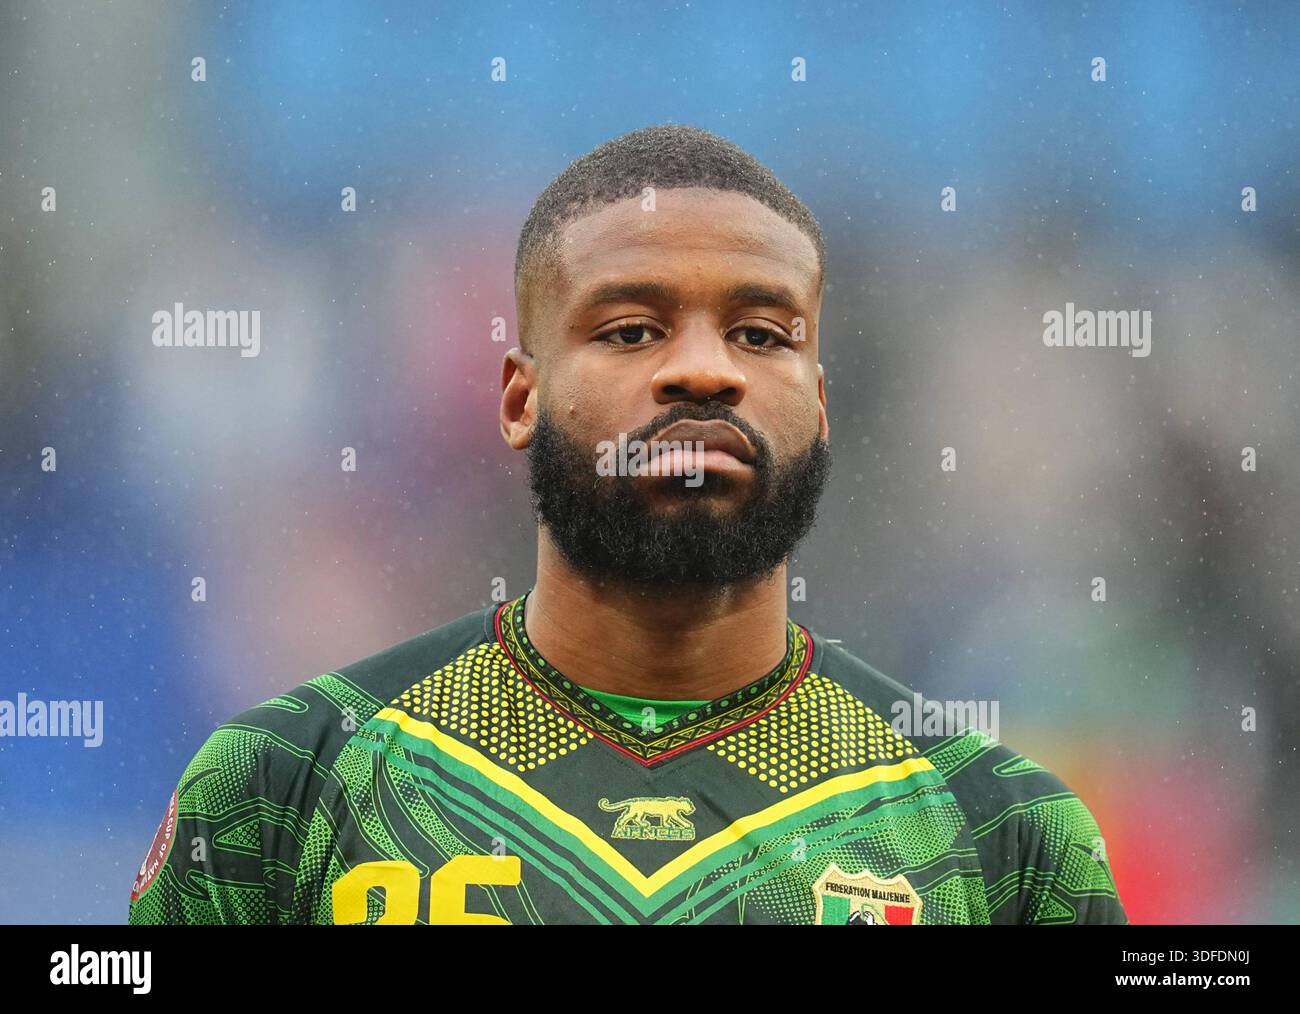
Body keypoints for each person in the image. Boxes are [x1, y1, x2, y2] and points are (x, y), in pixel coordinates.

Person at [128, 124, 1126, 925]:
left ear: (818, 406)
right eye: (630, 330)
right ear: (519, 399)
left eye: (760, 333)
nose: (703, 370)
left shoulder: (1003, 836)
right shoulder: (282, 785)